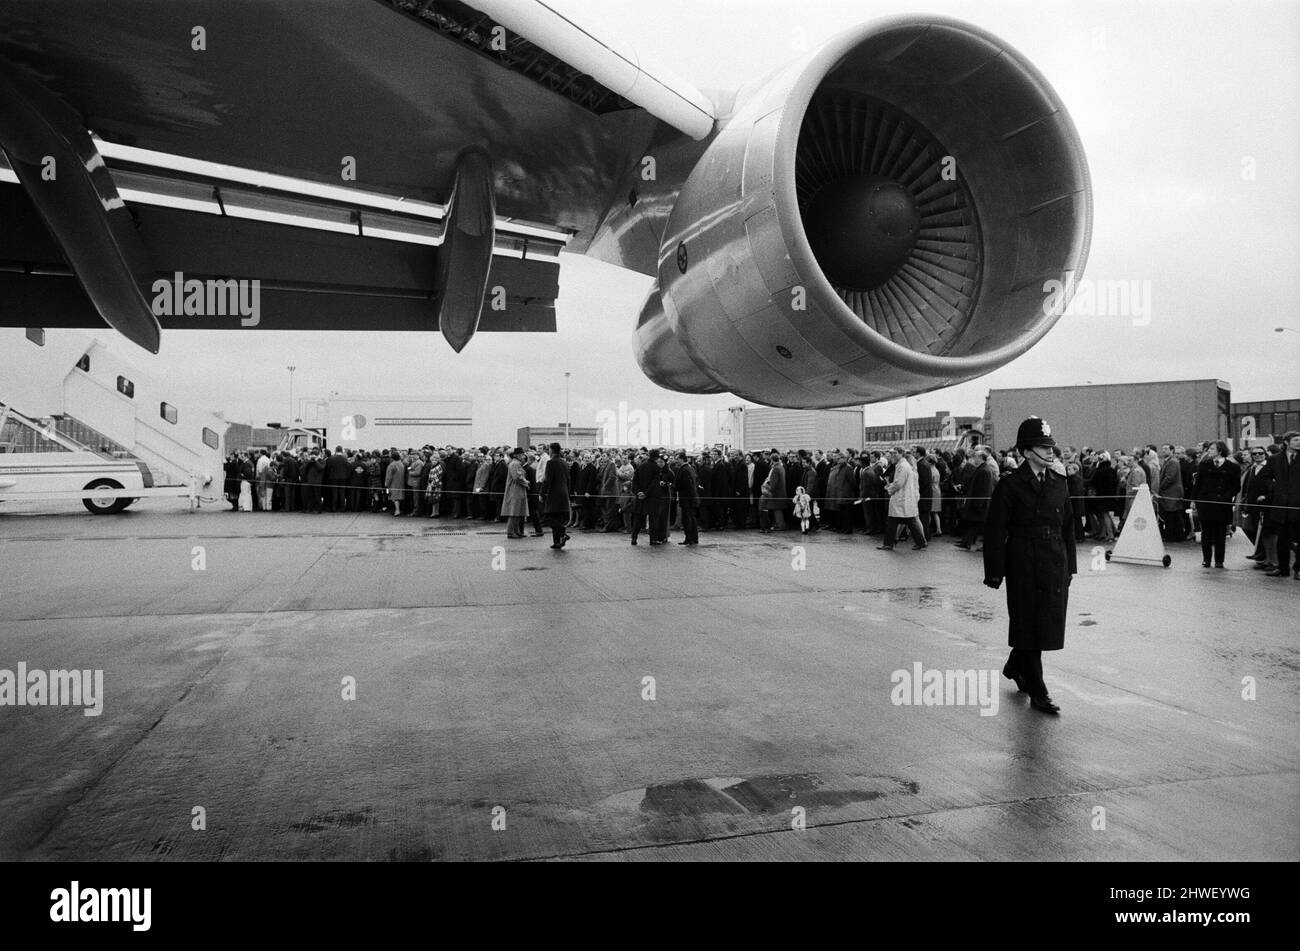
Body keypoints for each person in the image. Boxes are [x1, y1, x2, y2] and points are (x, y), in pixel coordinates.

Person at [983, 417, 1077, 716]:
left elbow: (1068, 528)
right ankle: (1038, 690)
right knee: (1028, 622)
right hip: (1023, 562)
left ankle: (1015, 666)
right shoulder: (1010, 486)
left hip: (1053, 562)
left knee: (1045, 623)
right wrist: (995, 571)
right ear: (1025, 452)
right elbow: (996, 530)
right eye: (1042, 447)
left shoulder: (1059, 483)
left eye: (1051, 447)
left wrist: (1070, 567)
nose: (1050, 452)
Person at [1191, 441, 1239, 568]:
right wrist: (1194, 500)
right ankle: (1206, 559)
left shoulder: (1233, 467)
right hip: (1206, 503)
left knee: (1220, 533)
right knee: (1205, 533)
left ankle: (1219, 560)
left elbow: (1236, 486)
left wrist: (1225, 497)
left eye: (1212, 449)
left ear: (1220, 450)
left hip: (1222, 504)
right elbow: (1198, 484)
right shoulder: (1204, 465)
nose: (1209, 451)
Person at [1261, 431, 1300, 578]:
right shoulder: (1275, 459)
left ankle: (1298, 569)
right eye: (1296, 440)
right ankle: (1282, 568)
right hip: (1281, 506)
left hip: (1298, 505)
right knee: (1282, 540)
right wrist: (1274, 488)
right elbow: (1265, 477)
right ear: (1286, 442)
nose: (1299, 442)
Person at [879, 448, 926, 551]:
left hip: (901, 498)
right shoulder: (902, 465)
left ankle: (888, 544)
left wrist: (889, 489)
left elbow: (899, 483)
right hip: (903, 498)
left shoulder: (903, 466)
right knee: (910, 520)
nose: (893, 455)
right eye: (891, 453)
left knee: (893, 521)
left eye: (895, 453)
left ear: (901, 454)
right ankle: (921, 542)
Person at [541, 442, 571, 549]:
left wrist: (542, 493)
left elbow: (547, 480)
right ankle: (557, 541)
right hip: (564, 493)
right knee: (558, 518)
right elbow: (568, 480)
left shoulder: (551, 462)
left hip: (554, 494)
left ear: (552, 450)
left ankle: (562, 534)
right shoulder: (564, 463)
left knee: (549, 518)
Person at [501, 448, 530, 539]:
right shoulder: (515, 464)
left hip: (518, 490)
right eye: (521, 454)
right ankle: (510, 532)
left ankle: (516, 531)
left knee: (518, 512)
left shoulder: (516, 463)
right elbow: (517, 477)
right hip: (515, 491)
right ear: (516, 455)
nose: (523, 456)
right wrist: (526, 483)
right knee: (513, 512)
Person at [674, 451, 700, 545]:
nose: (676, 461)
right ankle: (693, 538)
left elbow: (687, 485)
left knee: (687, 519)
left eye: (677, 459)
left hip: (687, 499)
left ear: (681, 459)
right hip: (691, 498)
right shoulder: (690, 468)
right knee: (691, 518)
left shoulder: (684, 469)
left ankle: (689, 538)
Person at [384, 451, 406, 517]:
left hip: (393, 483)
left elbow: (389, 476)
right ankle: (399, 510)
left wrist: (386, 484)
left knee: (394, 497)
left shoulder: (391, 465)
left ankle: (397, 510)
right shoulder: (401, 463)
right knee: (399, 497)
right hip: (401, 482)